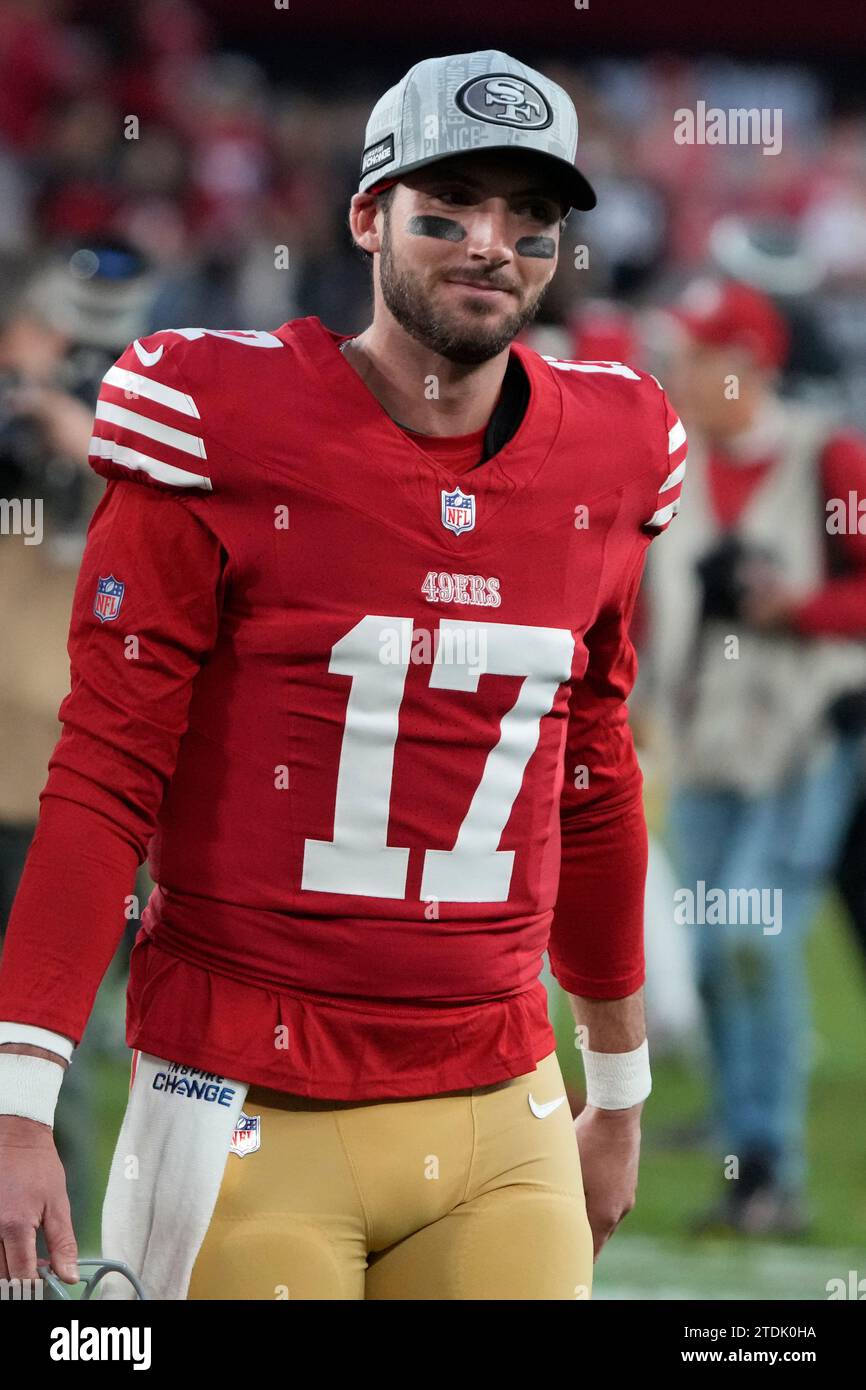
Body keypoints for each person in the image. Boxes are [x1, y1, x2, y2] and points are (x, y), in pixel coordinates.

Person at [0, 51, 686, 1300]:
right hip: (239, 1095)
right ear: (366, 214)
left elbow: (589, 777)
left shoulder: (617, 442)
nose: (491, 245)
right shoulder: (217, 415)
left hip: (502, 1098)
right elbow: (105, 773)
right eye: (449, 208)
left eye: (527, 221)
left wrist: (620, 1091)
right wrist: (16, 1101)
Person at [647, 277, 866, 1234]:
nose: (678, 371)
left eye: (696, 354)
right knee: (703, 948)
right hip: (702, 745)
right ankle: (746, 1175)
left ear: (748, 363)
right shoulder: (671, 459)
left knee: (753, 935)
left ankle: (773, 1163)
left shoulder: (831, 459)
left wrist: (797, 608)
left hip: (803, 739)